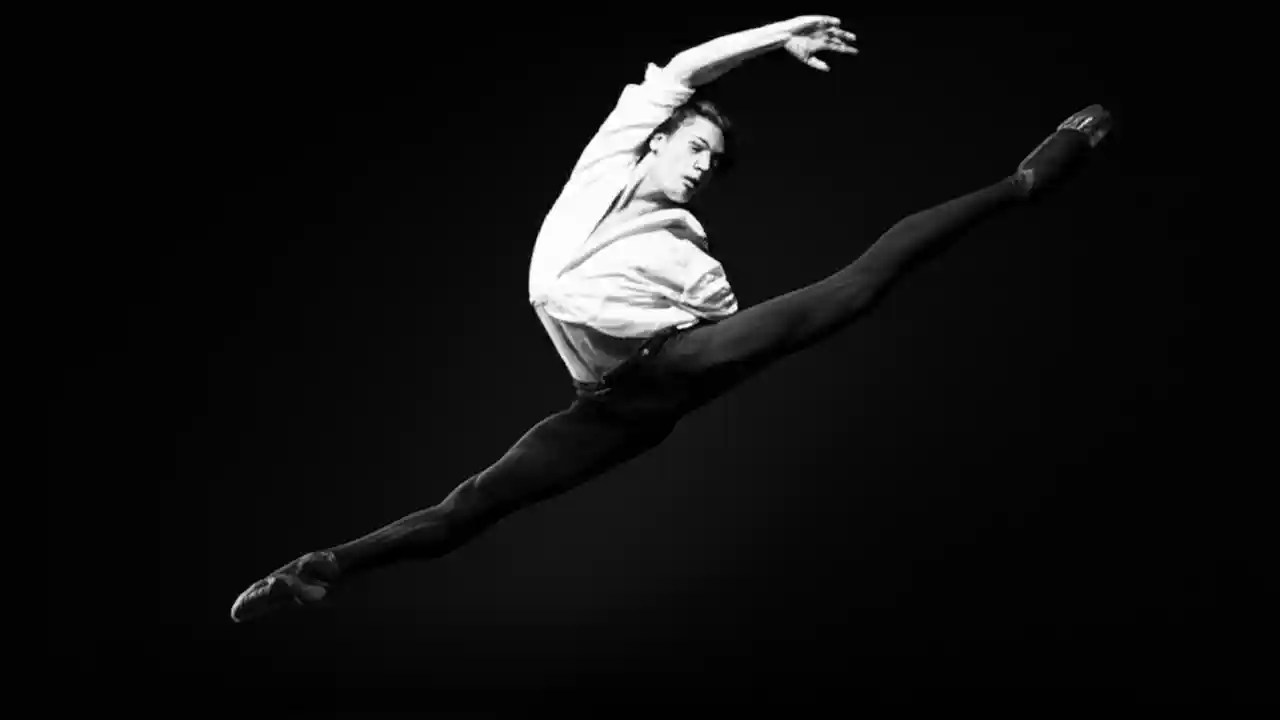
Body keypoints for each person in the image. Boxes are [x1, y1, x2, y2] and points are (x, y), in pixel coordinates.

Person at [230, 16, 1111, 623]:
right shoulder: (605, 169)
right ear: (654, 142)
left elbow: (721, 327)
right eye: (693, 148)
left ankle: (1027, 179)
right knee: (471, 507)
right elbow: (686, 71)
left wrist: (719, 345)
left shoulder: (693, 260)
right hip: (613, 407)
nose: (698, 169)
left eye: (713, 162)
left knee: (858, 285)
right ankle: (322, 570)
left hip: (682, 364)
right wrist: (776, 38)